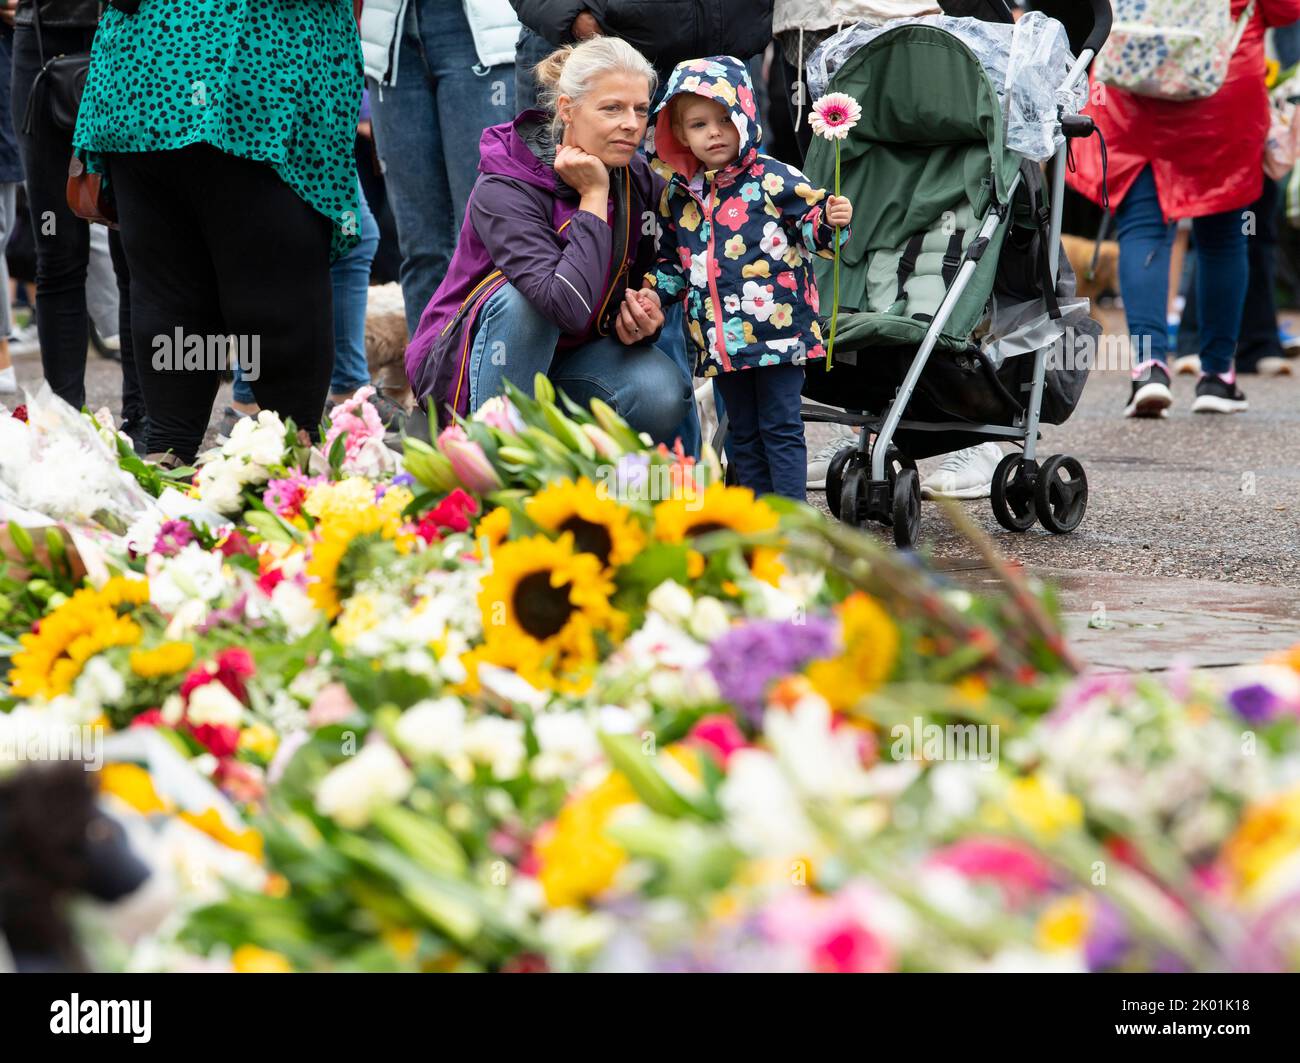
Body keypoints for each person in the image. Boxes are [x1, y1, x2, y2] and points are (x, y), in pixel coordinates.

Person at [73, 0, 364, 466]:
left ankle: (170, 458)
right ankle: (296, 464)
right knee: (270, 294)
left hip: (146, 76)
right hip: (258, 68)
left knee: (173, 291)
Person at [405, 36, 691, 444]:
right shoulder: (505, 183)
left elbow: (654, 268)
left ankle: (567, 474)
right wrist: (593, 197)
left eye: (640, 110)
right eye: (612, 107)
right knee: (525, 302)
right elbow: (566, 305)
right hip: (471, 368)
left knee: (659, 392)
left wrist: (643, 310)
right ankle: (498, 463)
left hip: (569, 359)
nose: (631, 123)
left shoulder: (635, 178)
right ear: (567, 110)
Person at [1068, 0, 1300, 418]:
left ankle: (1149, 368)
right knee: (1225, 235)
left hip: (1134, 75)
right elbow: (1286, 10)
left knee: (1141, 227)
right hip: (1221, 79)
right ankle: (1216, 376)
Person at [641, 56, 851, 501]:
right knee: (744, 434)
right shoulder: (678, 199)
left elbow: (814, 229)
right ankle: (757, 521)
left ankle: (790, 520)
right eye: (698, 125)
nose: (713, 132)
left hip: (777, 335)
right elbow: (673, 266)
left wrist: (830, 221)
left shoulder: (773, 178)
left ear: (745, 116)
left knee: (780, 426)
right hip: (720, 342)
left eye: (724, 119)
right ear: (679, 135)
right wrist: (653, 294)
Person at [7, 0, 143, 438]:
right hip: (42, 42)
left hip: (131, 37)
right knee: (58, 250)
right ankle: (66, 424)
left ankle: (144, 419)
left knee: (136, 251)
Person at [359, 0, 520, 336]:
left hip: (478, 34)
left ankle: (488, 381)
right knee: (420, 247)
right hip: (392, 34)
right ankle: (429, 379)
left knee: (485, 236)